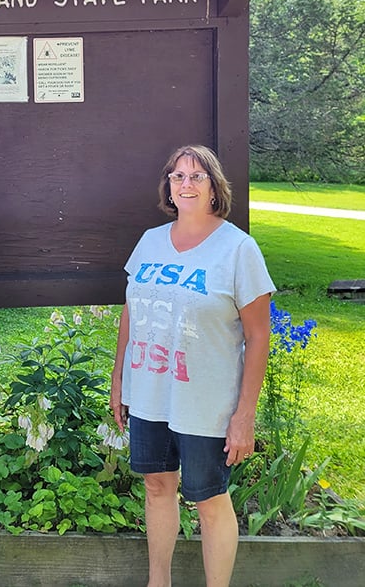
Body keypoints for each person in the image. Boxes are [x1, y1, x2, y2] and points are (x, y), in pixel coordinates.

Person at [110, 145, 275, 587]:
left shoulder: (238, 249)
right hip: (150, 393)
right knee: (156, 487)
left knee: (209, 500)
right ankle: (158, 581)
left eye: (196, 176)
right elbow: (131, 310)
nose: (186, 184)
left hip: (206, 402)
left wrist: (245, 414)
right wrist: (119, 378)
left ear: (214, 187)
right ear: (168, 186)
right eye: (178, 176)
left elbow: (259, 335)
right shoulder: (149, 242)